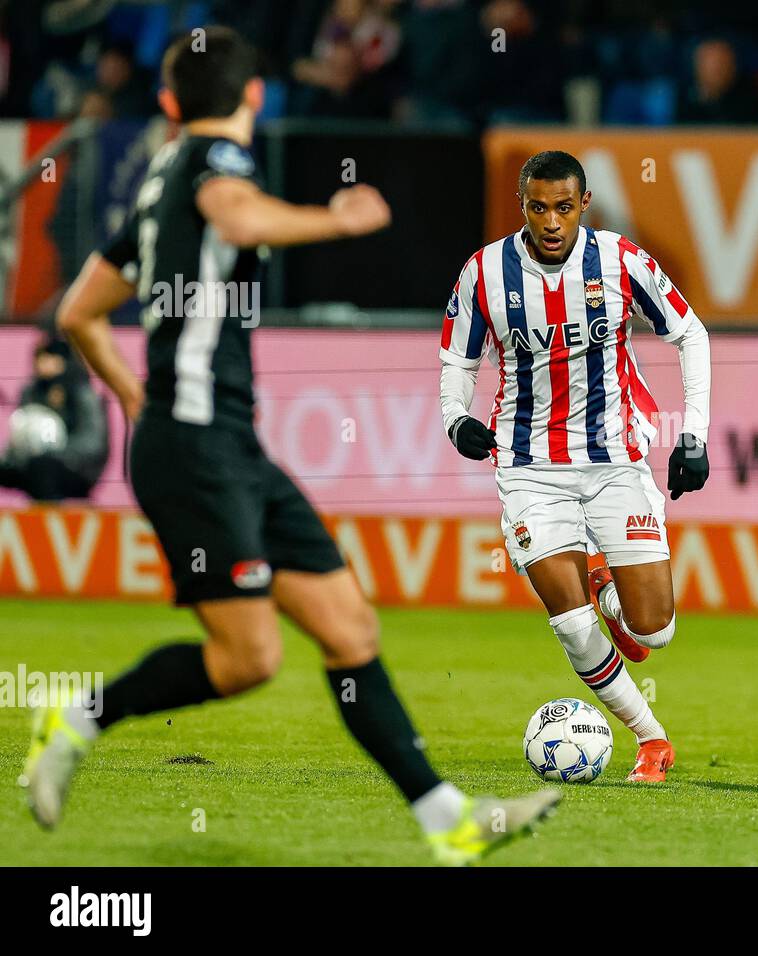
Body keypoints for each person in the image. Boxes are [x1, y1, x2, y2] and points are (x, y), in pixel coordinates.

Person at [26, 26, 559, 866]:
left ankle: (450, 821)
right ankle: (77, 719)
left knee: (349, 628)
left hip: (224, 446)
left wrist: (136, 398)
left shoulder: (160, 172)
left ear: (167, 101)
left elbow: (78, 311)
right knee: (248, 660)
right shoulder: (214, 167)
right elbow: (232, 211)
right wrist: (337, 218)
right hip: (197, 451)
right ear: (254, 97)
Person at [439, 150, 712, 783]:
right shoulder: (483, 272)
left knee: (656, 630)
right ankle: (650, 736)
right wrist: (456, 418)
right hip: (528, 465)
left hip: (616, 460)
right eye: (539, 208)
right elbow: (459, 359)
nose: (552, 221)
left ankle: (609, 592)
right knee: (568, 618)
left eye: (564, 207)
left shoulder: (620, 260)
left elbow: (689, 334)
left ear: (583, 205)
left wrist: (692, 435)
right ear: (523, 207)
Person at [0, 335, 108, 502]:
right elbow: (20, 432)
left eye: (49, 357)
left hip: (76, 467)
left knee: (44, 468)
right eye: (40, 357)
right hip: (33, 462)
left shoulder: (83, 394)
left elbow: (93, 443)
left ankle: (48, 522)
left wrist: (57, 455)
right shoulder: (31, 393)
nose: (42, 363)